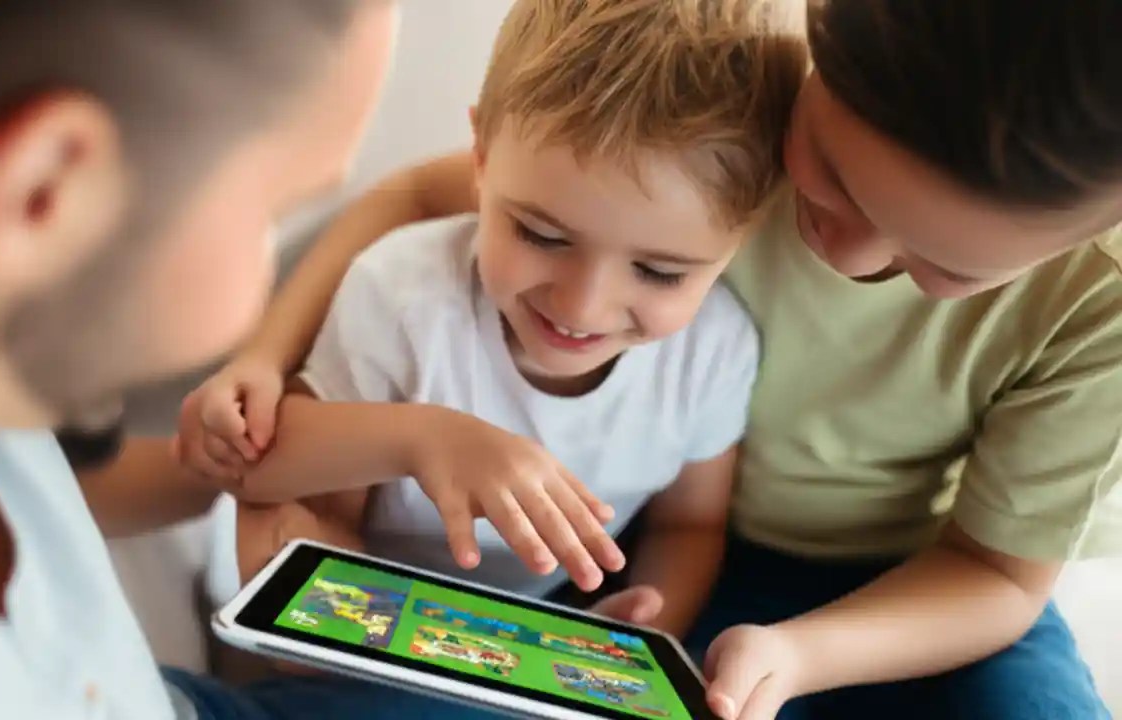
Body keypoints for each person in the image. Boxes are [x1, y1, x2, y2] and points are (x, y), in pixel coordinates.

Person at [179, 1, 1122, 719]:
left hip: (897, 587)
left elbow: (997, 577)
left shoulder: (1096, 301)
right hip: (618, 535)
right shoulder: (741, 109)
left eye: (944, 264)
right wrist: (265, 354)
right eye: (831, 178)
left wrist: (797, 655)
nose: (854, 254)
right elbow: (435, 196)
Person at [0, 2, 462, 718]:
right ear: (45, 193)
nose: (268, 272)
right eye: (275, 213)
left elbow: (74, 486)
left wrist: (226, 468)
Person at [198, 0, 807, 648]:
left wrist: (628, 643)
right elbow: (257, 468)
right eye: (541, 234)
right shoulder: (404, 297)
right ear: (481, 158)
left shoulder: (714, 353)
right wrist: (426, 439)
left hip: (508, 644)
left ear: (743, 238)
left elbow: (689, 528)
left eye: (660, 273)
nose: (581, 307)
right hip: (350, 631)